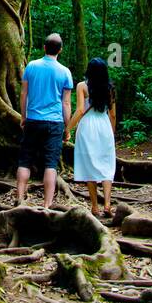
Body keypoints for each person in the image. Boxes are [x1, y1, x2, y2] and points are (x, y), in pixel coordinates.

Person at [16, 33, 73, 208]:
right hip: (54, 123)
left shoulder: (31, 67)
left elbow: (24, 93)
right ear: (60, 50)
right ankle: (47, 205)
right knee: (51, 163)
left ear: (44, 47)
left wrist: (23, 116)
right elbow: (66, 103)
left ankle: (19, 199)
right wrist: (67, 127)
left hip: (32, 119)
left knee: (25, 159)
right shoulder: (65, 72)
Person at [66, 57, 116, 217]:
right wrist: (112, 133)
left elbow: (80, 110)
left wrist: (68, 129)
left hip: (87, 127)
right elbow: (113, 114)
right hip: (104, 126)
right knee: (107, 165)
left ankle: (94, 206)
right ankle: (107, 204)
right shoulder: (110, 88)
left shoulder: (82, 86)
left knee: (89, 165)